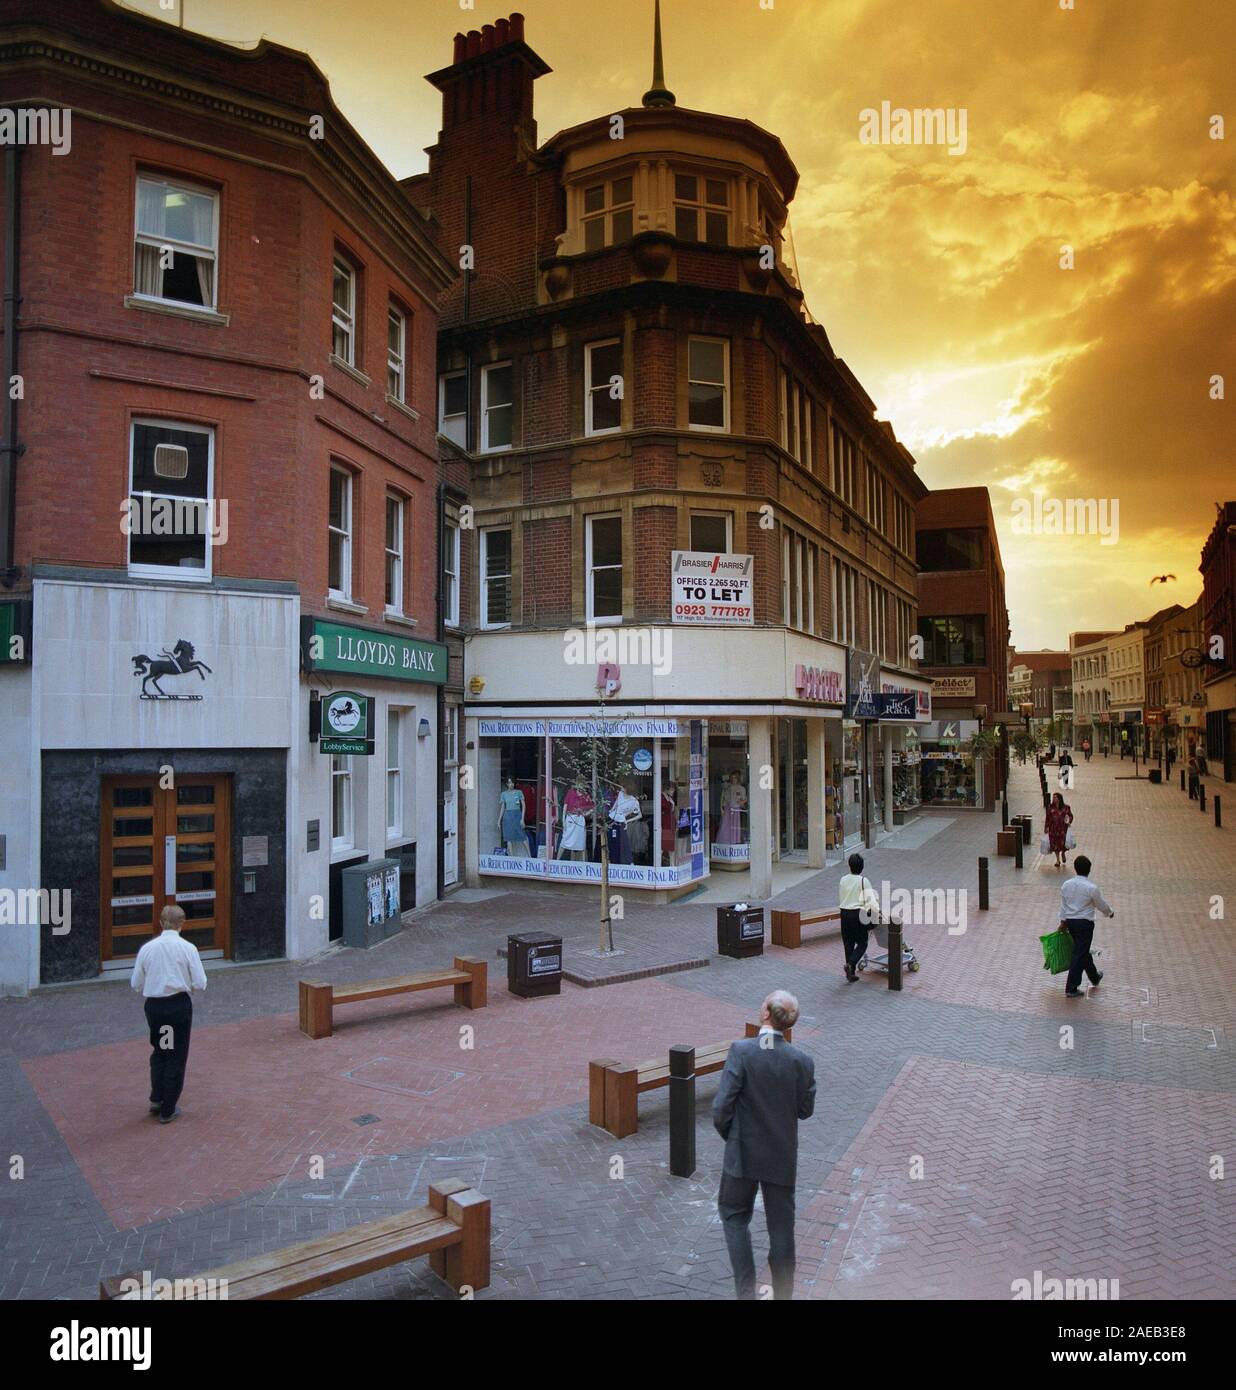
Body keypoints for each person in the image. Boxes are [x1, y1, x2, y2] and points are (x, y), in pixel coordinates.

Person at [712, 990, 816, 1300]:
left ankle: (745, 1292)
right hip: (781, 1157)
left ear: (766, 1014)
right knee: (782, 1229)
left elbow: (721, 1108)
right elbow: (805, 1110)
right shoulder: (801, 1061)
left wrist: (731, 1137)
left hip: (742, 1155)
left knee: (734, 1216)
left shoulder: (742, 1051)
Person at [131, 905, 207, 1123]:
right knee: (176, 1054)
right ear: (182, 924)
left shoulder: (148, 948)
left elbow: (136, 982)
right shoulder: (188, 948)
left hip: (155, 1007)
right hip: (177, 1006)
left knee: (161, 1049)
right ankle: (168, 1107)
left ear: (160, 922)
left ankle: (157, 1097)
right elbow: (200, 982)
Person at [1059, 854, 1114, 998]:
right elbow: (1100, 904)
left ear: (1076, 868)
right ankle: (1071, 987)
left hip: (1071, 922)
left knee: (1082, 951)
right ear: (1089, 870)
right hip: (1085, 923)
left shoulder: (1066, 885)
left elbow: (1063, 905)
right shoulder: (1091, 888)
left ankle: (1094, 976)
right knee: (1079, 953)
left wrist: (1063, 922)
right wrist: (1109, 913)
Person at [838, 852, 880, 982]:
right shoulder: (863, 881)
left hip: (844, 913)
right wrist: (876, 913)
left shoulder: (843, 879)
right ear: (862, 867)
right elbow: (870, 901)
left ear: (850, 866)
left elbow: (841, 896)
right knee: (862, 942)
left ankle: (851, 973)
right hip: (858, 914)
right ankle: (850, 964)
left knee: (848, 943)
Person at [497, 777, 529, 856]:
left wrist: (522, 819)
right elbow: (503, 807)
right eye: (509, 783)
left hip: (517, 814)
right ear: (507, 784)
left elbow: (524, 806)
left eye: (512, 783)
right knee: (508, 837)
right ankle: (512, 857)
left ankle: (530, 856)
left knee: (522, 836)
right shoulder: (504, 794)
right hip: (507, 816)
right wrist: (499, 820)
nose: (511, 784)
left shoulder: (519, 792)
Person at [1044, 791, 1073, 869]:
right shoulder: (1050, 807)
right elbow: (1048, 817)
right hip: (1053, 829)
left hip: (1063, 829)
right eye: (1053, 797)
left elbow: (1070, 816)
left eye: (1055, 797)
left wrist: (1069, 821)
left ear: (1059, 799)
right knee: (1055, 844)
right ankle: (1057, 860)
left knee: (1063, 843)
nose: (1053, 799)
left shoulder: (1066, 807)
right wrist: (1046, 827)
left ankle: (1063, 853)